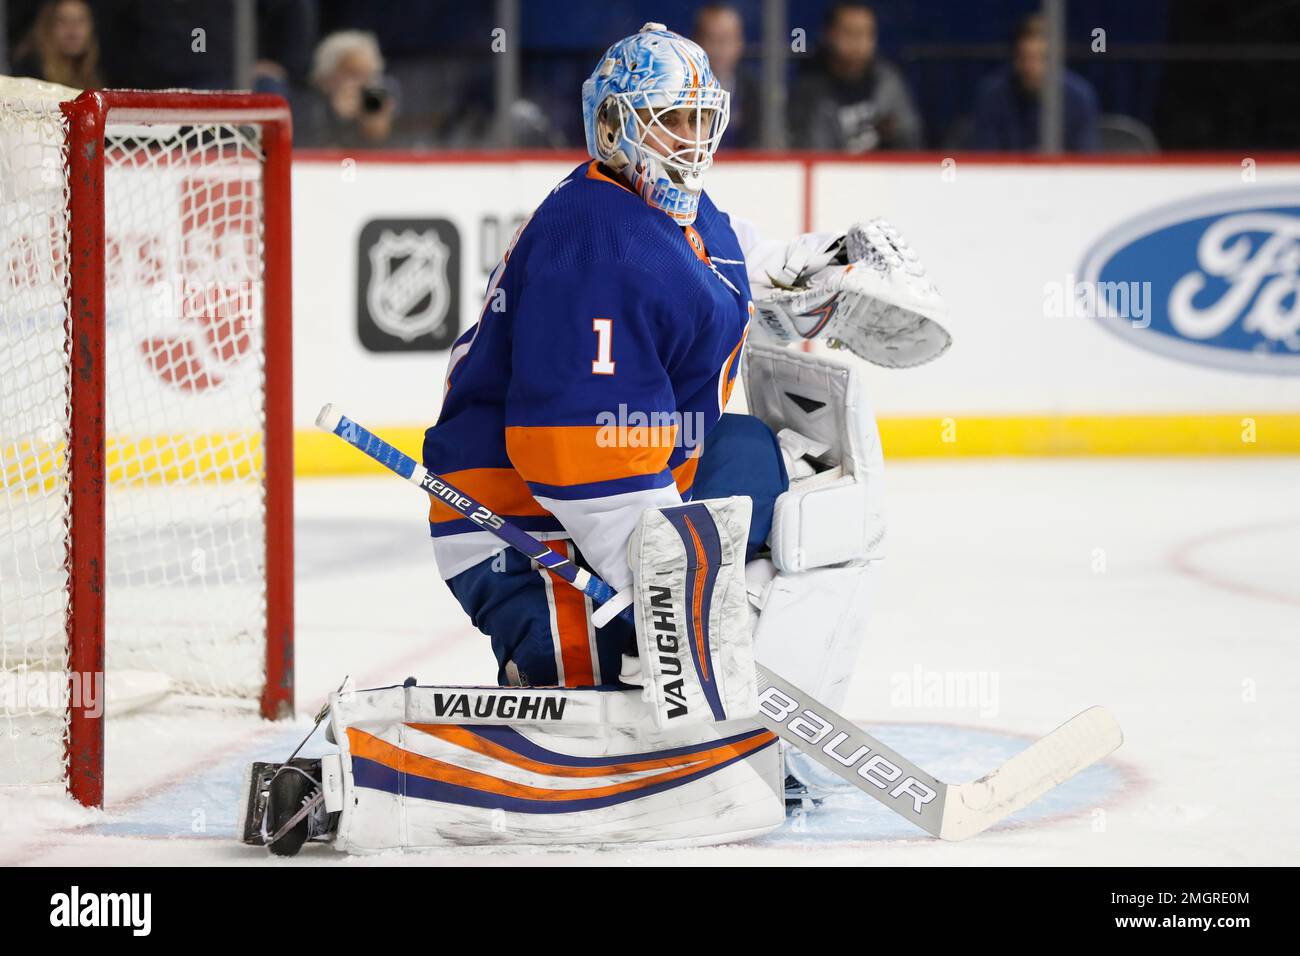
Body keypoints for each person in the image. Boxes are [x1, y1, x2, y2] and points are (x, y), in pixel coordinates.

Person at [243, 23, 950, 854]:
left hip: (602, 492)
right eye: (667, 123)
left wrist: (828, 263)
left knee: (773, 466)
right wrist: (671, 618)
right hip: (528, 533)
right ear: (613, 128)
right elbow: (574, 452)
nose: (691, 143)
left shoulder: (666, 212)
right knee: (771, 529)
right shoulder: (597, 243)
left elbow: (739, 266)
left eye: (699, 120)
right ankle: (572, 671)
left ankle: (700, 699)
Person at [788, 2, 922, 151]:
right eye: (850, 33)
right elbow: (809, 151)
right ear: (829, 35)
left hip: (884, 172)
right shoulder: (808, 90)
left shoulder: (888, 81)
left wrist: (894, 136)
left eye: (866, 33)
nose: (859, 42)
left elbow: (912, 141)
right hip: (832, 172)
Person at [970, 13, 1099, 152]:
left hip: (1062, 173)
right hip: (1008, 172)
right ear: (1015, 58)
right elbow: (987, 157)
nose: (1032, 68)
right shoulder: (993, 94)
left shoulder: (1079, 97)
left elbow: (1086, 159)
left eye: (1041, 58)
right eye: (1025, 58)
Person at [293, 31, 396, 149]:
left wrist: (378, 130)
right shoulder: (305, 106)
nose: (364, 84)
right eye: (354, 75)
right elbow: (306, 150)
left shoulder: (376, 99)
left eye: (369, 76)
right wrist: (335, 117)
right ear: (326, 77)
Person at [692, 2, 760, 148]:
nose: (718, 48)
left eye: (726, 39)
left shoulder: (755, 91)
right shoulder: (679, 87)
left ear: (739, 42)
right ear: (696, 41)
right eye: (710, 39)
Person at [11, 0, 101, 89]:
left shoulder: (94, 75)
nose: (72, 29)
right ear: (48, 28)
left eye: (80, 20)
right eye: (62, 21)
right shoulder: (30, 74)